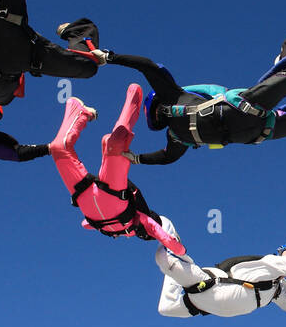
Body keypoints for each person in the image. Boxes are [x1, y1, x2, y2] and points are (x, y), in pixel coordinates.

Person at [104, 34, 286, 165]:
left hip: (256, 132)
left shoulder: (177, 139)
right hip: (246, 109)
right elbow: (148, 66)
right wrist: (109, 57)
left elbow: (165, 158)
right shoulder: (172, 98)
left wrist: (137, 159)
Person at [49, 83, 184, 252]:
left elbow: (85, 224)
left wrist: (180, 250)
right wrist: (181, 251)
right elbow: (160, 233)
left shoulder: (121, 228)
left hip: (87, 194)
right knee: (116, 143)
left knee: (58, 148)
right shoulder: (138, 219)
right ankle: (134, 97)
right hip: (111, 192)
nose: (144, 233)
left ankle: (79, 112)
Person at [155, 244, 286, 320]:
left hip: (212, 306)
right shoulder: (270, 263)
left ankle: (173, 259)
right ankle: (171, 242)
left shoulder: (278, 289)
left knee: (164, 309)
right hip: (209, 286)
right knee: (164, 260)